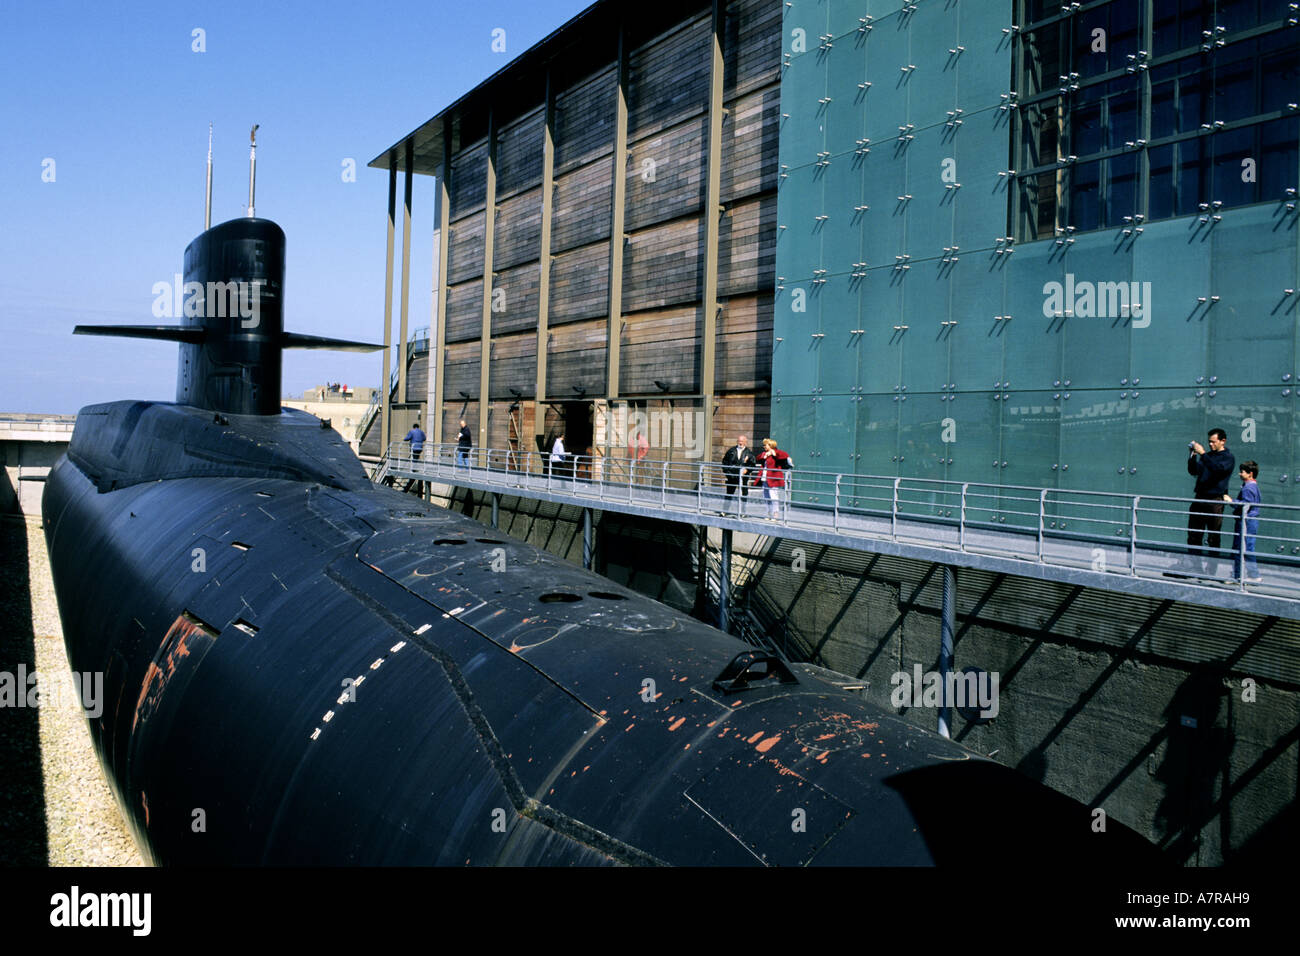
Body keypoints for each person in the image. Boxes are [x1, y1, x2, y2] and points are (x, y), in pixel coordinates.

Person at [1187, 428, 1235, 566]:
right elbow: (1193, 470)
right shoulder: (1207, 456)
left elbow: (1218, 470)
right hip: (1200, 498)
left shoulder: (1228, 457)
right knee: (1194, 534)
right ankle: (1195, 567)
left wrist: (1202, 454)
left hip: (1214, 500)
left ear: (1223, 441)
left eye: (1213, 442)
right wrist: (1193, 455)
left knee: (1213, 536)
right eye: (1209, 442)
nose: (1210, 445)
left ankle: (1211, 569)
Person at [1225, 460, 1261, 582]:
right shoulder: (1253, 486)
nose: (1240, 474)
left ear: (1250, 473)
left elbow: (1245, 505)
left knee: (1242, 548)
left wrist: (1231, 501)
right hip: (1251, 520)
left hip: (1246, 521)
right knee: (1245, 547)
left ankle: (1243, 575)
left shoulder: (1248, 487)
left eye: (1242, 472)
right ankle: (1242, 574)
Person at [756, 438, 792, 519]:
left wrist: (774, 453)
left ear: (770, 445)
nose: (764, 446)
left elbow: (784, 455)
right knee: (766, 497)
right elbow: (757, 458)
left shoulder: (776, 452)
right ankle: (768, 513)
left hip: (773, 478)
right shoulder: (765, 453)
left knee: (773, 496)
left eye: (765, 445)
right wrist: (764, 455)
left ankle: (775, 514)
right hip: (765, 478)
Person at [721, 435, 756, 500]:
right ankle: (725, 510)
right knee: (729, 494)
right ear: (737, 441)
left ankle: (743, 509)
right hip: (731, 477)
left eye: (742, 441)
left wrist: (747, 470)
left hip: (743, 477)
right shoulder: (731, 451)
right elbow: (724, 462)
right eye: (739, 441)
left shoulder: (749, 452)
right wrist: (728, 473)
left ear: (745, 442)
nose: (740, 443)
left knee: (744, 494)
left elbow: (752, 464)